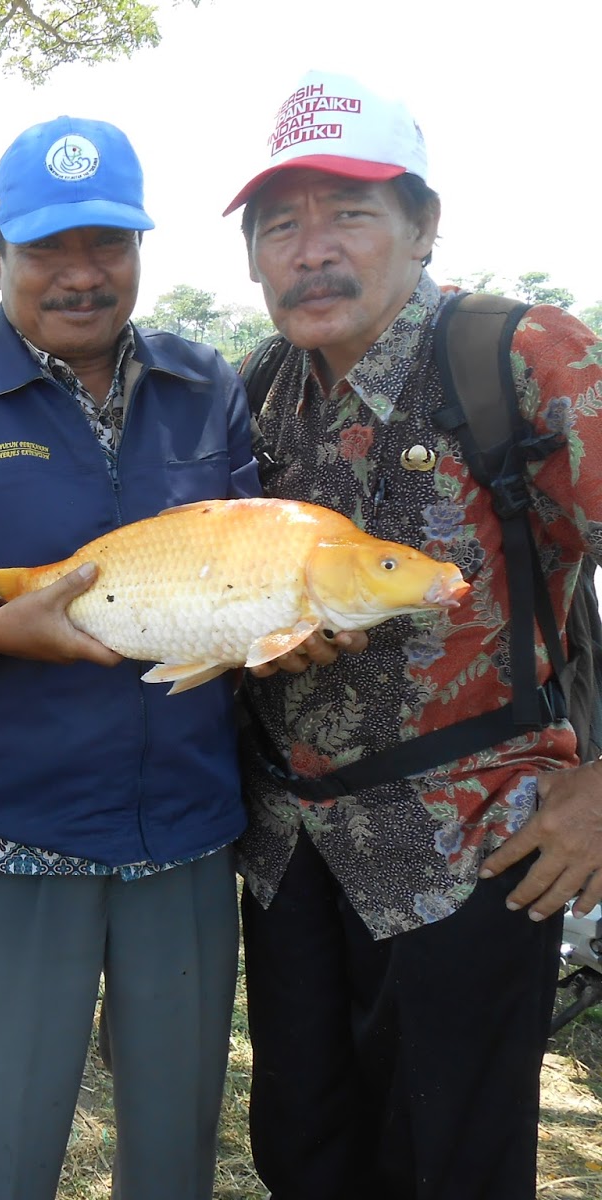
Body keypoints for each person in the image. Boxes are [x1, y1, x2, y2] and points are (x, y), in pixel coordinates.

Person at [0, 116, 259, 1199]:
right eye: (47, 250)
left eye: (106, 245)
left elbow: (256, 553)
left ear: (139, 253)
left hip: (187, 832)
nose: (80, 275)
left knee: (173, 1145)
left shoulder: (206, 386)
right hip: (14, 832)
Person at [227, 69, 602, 1200]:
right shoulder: (253, 395)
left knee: (448, 1164)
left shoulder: (522, 359)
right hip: (287, 853)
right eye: (279, 224)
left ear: (424, 225)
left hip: (475, 848)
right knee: (302, 1150)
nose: (310, 250)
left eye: (348, 211)